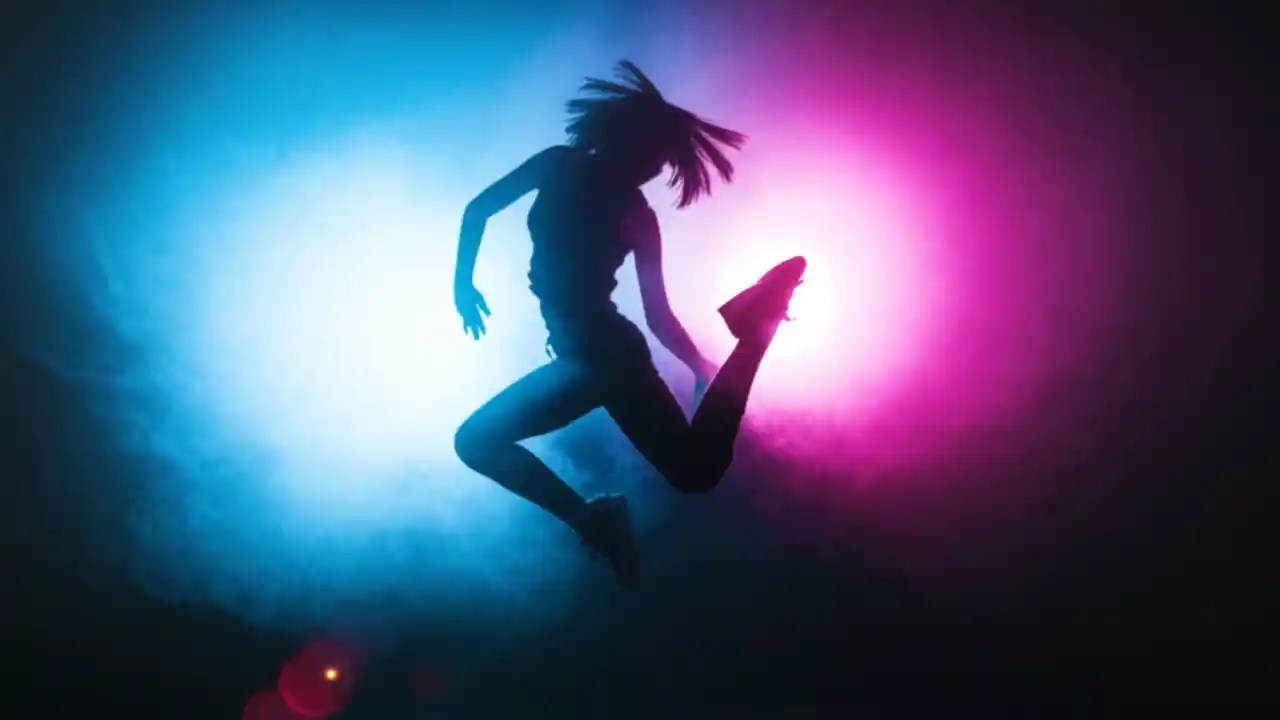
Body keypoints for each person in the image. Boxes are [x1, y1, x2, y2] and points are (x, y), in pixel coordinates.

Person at [452, 60, 805, 584]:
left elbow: (478, 211)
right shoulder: (595, 188)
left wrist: (463, 283)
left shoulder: (575, 177)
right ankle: (753, 332)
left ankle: (595, 518)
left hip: (598, 353)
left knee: (477, 441)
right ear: (623, 139)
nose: (656, 172)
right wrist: (700, 365)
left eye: (661, 164)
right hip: (595, 353)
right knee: (694, 471)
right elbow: (656, 317)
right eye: (654, 159)